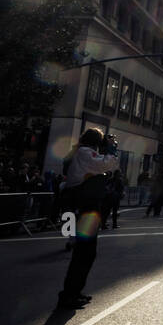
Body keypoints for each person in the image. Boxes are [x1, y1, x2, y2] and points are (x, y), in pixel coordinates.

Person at [57, 129, 119, 309]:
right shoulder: (85, 153)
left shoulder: (81, 153)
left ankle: (74, 292)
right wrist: (111, 149)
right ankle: (69, 294)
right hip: (86, 207)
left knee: (85, 253)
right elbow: (108, 164)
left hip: (86, 206)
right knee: (85, 253)